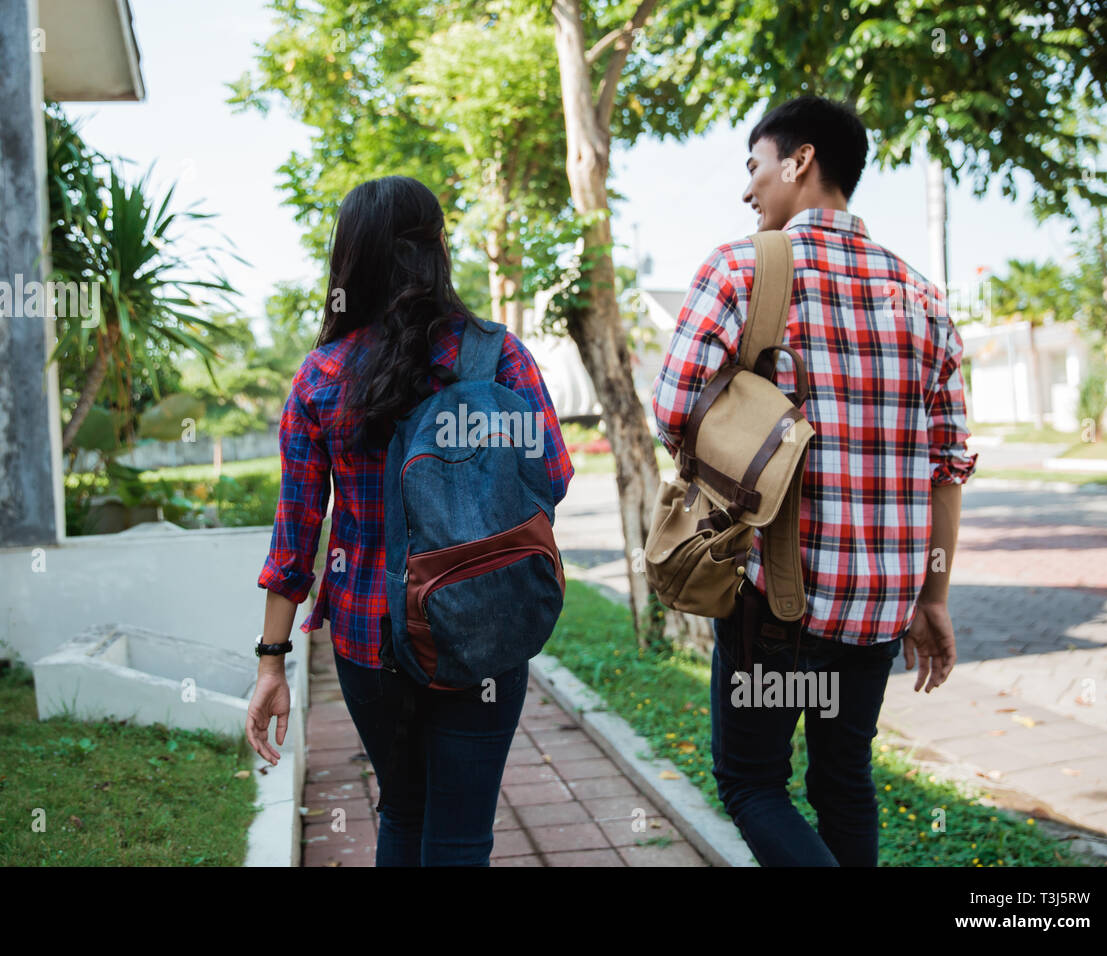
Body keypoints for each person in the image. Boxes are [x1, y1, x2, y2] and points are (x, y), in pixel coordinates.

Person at [651, 95, 977, 866]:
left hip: (778, 604)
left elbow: (672, 412)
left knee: (754, 783)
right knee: (844, 781)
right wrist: (932, 597)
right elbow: (949, 464)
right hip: (881, 608)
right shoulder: (926, 299)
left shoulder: (742, 268)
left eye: (754, 166)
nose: (747, 189)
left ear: (799, 162)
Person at [244, 175, 574, 866]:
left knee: (402, 810)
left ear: (349, 259)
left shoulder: (320, 377)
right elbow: (554, 478)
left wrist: (271, 664)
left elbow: (295, 537)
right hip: (483, 624)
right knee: (460, 833)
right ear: (436, 250)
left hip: (371, 639)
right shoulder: (496, 354)